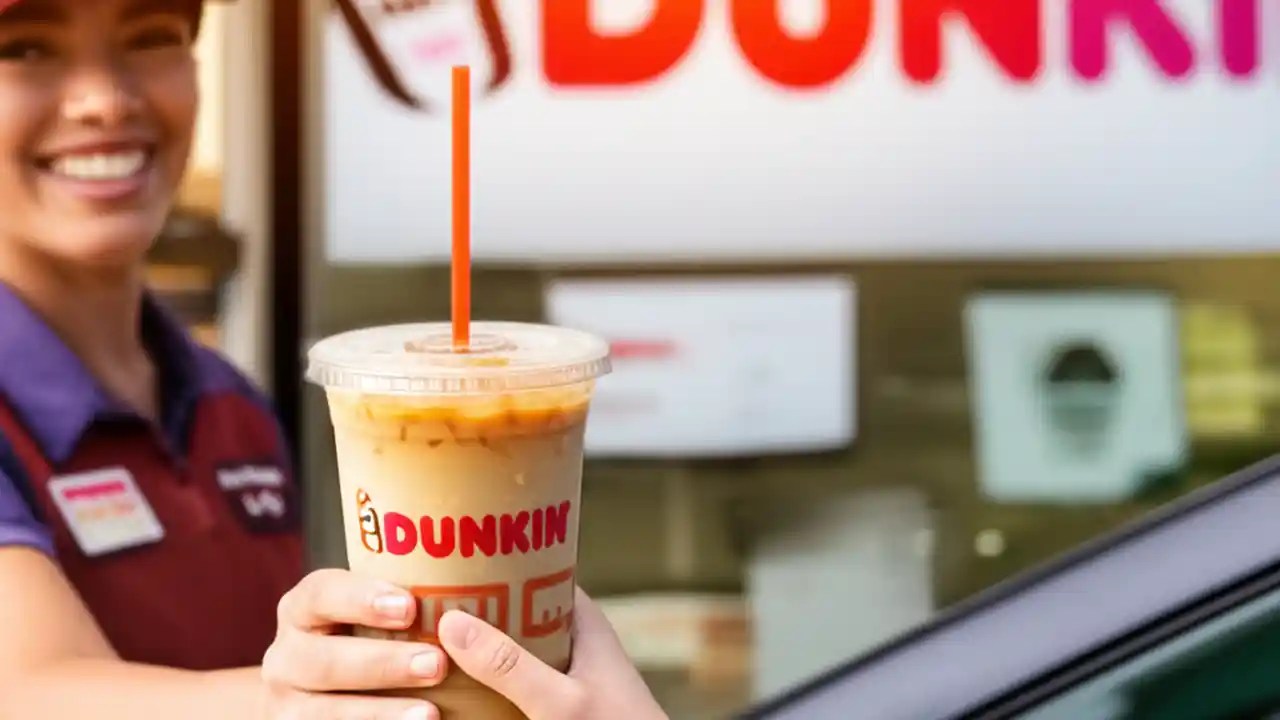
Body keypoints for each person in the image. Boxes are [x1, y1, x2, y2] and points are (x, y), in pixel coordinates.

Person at [0, 1, 668, 718]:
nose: (105, 100)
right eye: (27, 48)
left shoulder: (229, 403)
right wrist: (317, 700)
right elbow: (27, 690)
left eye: (152, 36)